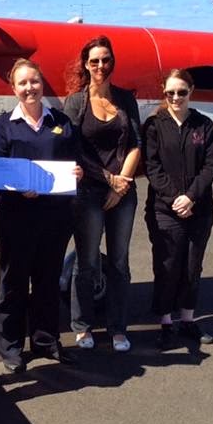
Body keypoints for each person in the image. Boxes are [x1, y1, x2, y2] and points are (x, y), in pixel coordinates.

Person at [0, 59, 83, 373]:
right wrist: (19, 187)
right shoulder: (4, 125)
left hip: (54, 217)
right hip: (16, 216)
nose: (30, 88)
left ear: (42, 84)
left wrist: (77, 172)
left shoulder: (61, 121)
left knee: (46, 282)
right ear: (14, 89)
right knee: (12, 282)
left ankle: (45, 341)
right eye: (23, 83)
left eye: (35, 82)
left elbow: (74, 158)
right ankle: (11, 348)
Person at [64, 35, 141, 352]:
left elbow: (136, 143)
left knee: (120, 263)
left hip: (122, 191)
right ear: (86, 64)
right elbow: (72, 149)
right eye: (94, 60)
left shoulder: (125, 99)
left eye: (106, 59)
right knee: (87, 263)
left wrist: (122, 181)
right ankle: (82, 326)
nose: (100, 66)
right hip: (89, 193)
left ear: (113, 62)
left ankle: (118, 328)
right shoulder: (75, 102)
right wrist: (108, 178)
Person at [142, 69, 213, 348]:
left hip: (199, 210)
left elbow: (210, 165)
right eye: (170, 93)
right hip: (164, 209)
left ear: (191, 92)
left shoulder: (204, 125)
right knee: (167, 265)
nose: (176, 97)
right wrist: (176, 197)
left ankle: (187, 320)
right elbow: (152, 167)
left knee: (191, 266)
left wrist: (191, 198)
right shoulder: (153, 126)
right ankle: (164, 322)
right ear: (164, 93)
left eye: (182, 92)